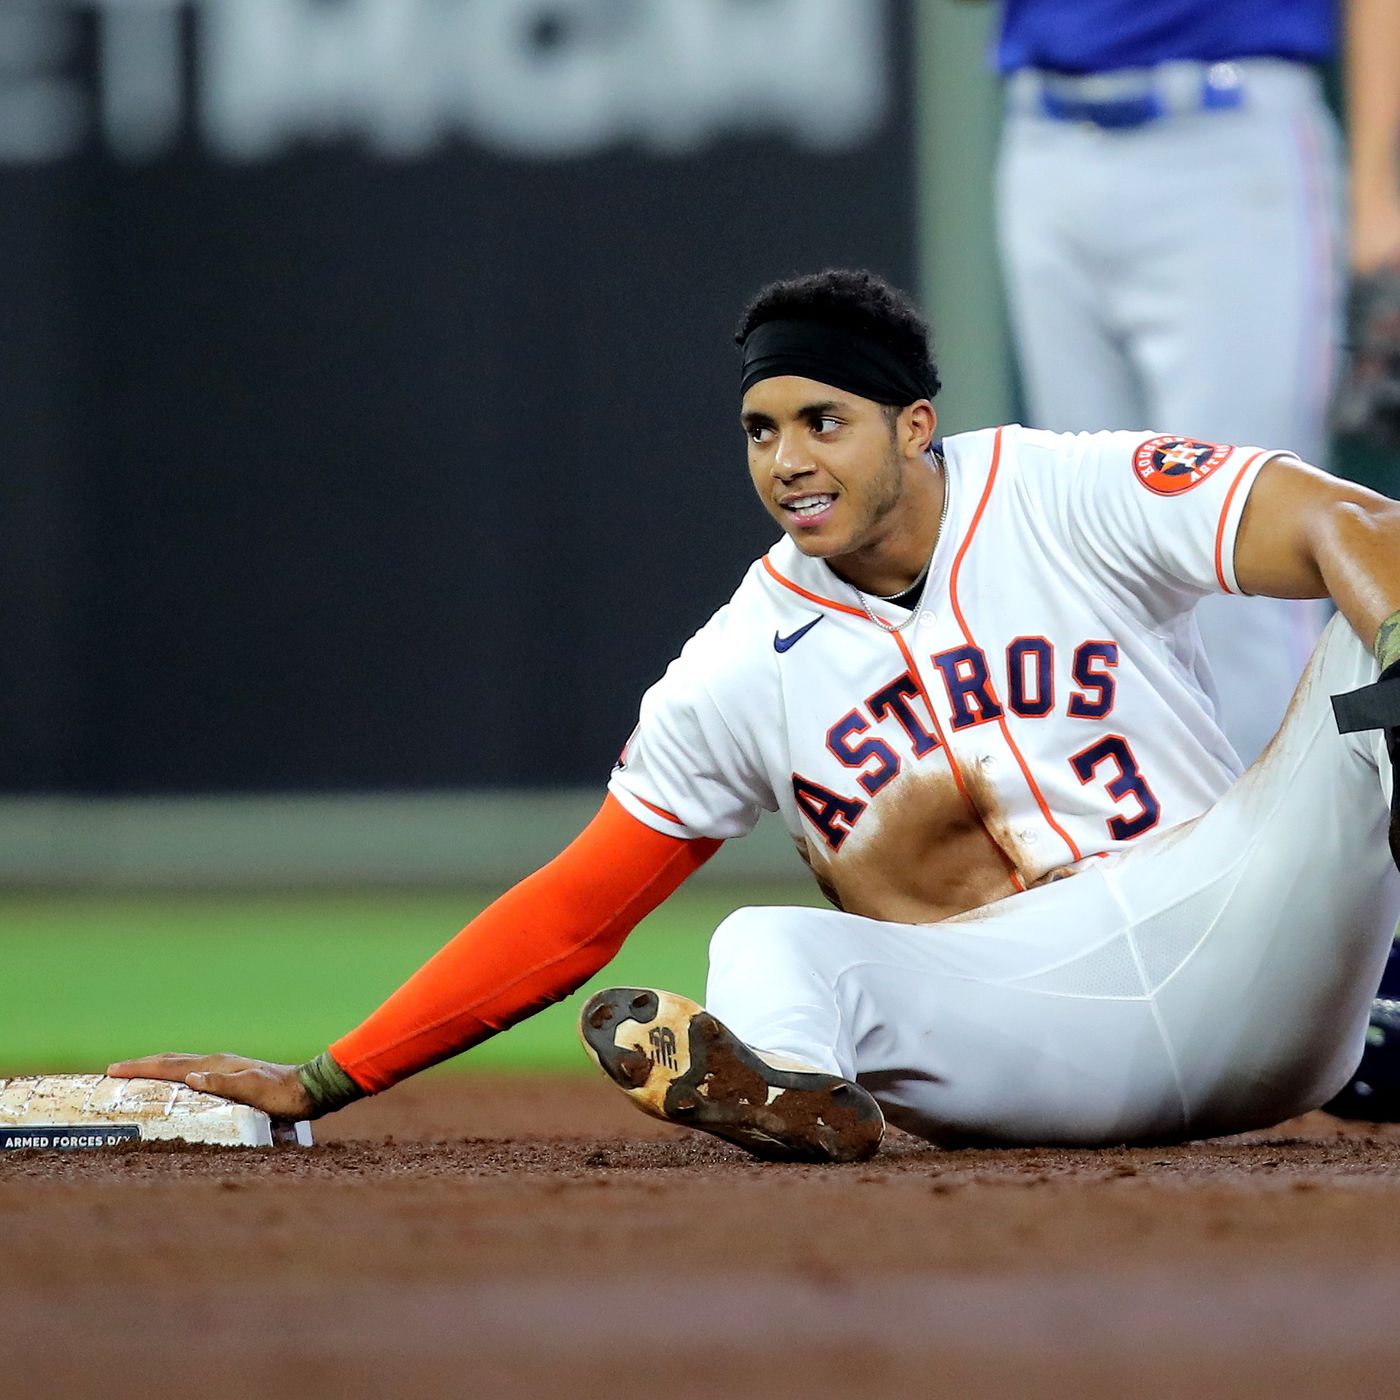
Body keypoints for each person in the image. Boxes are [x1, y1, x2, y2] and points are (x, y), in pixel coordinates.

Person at [110, 270, 1400, 1163]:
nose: (786, 461)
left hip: (1240, 930)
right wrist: (321, 1077)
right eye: (759, 429)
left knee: (1376, 627)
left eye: (821, 421)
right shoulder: (738, 661)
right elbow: (576, 910)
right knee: (759, 947)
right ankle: (799, 1100)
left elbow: (1349, 521)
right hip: (1024, 1034)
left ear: (913, 424)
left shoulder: (1065, 489)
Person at [988, 0, 1351, 765]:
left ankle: (1304, 844)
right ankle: (1137, 837)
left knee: (1246, 564)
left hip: (1226, 131)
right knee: (1084, 569)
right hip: (1045, 132)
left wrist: (1381, 194)